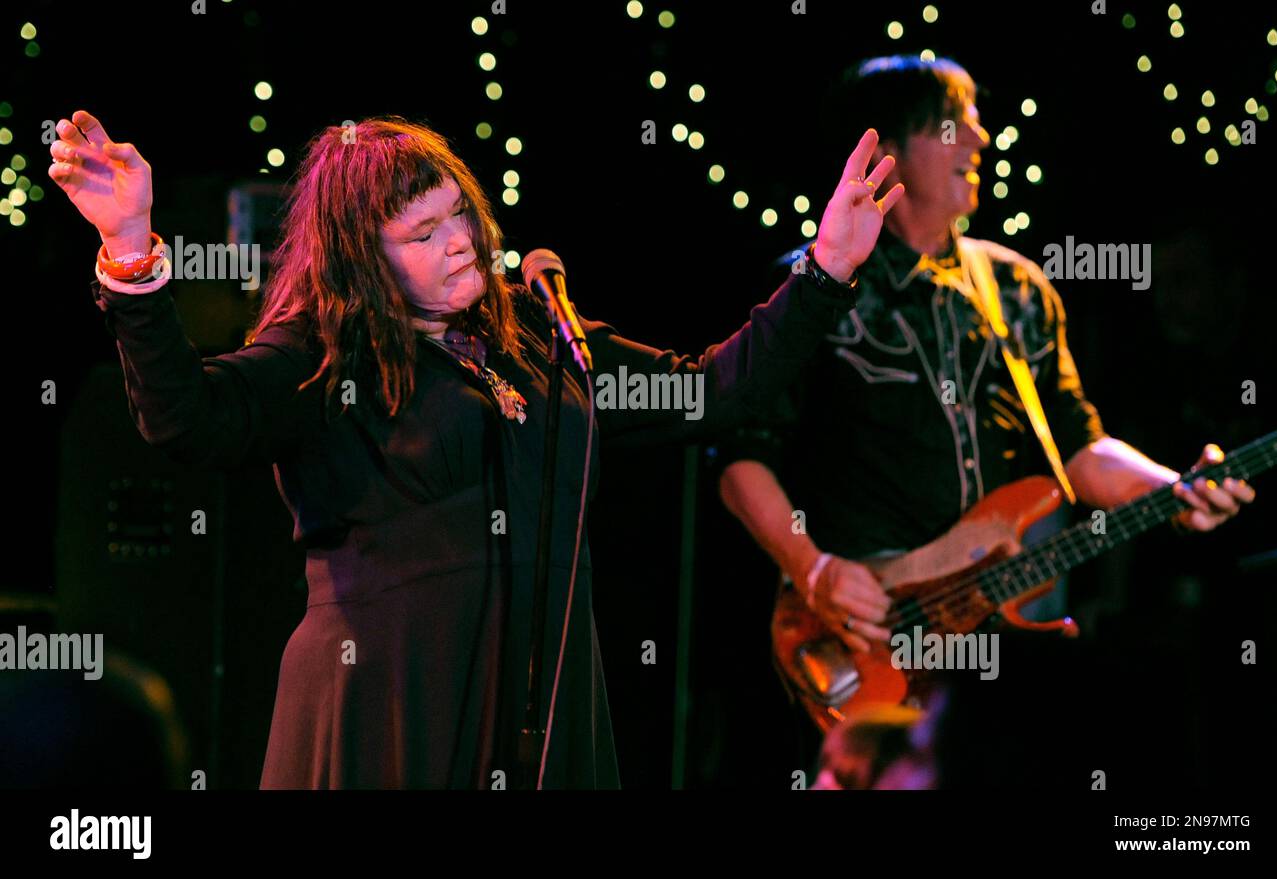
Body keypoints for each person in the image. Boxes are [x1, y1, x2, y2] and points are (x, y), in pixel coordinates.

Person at [48, 110, 902, 789]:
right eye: (422, 234)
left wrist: (824, 269)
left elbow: (711, 391)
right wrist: (129, 252)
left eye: (458, 213)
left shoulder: (534, 332)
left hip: (541, 692)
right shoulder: (321, 351)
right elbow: (185, 418)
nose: (458, 239)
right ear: (364, 263)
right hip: (389, 699)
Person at [717, 56, 1256, 762]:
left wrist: (1171, 487)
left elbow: (1078, 446)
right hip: (860, 637)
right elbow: (738, 458)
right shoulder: (818, 282)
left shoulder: (1018, 289)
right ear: (887, 150)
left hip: (985, 654)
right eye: (953, 124)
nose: (980, 141)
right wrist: (815, 569)